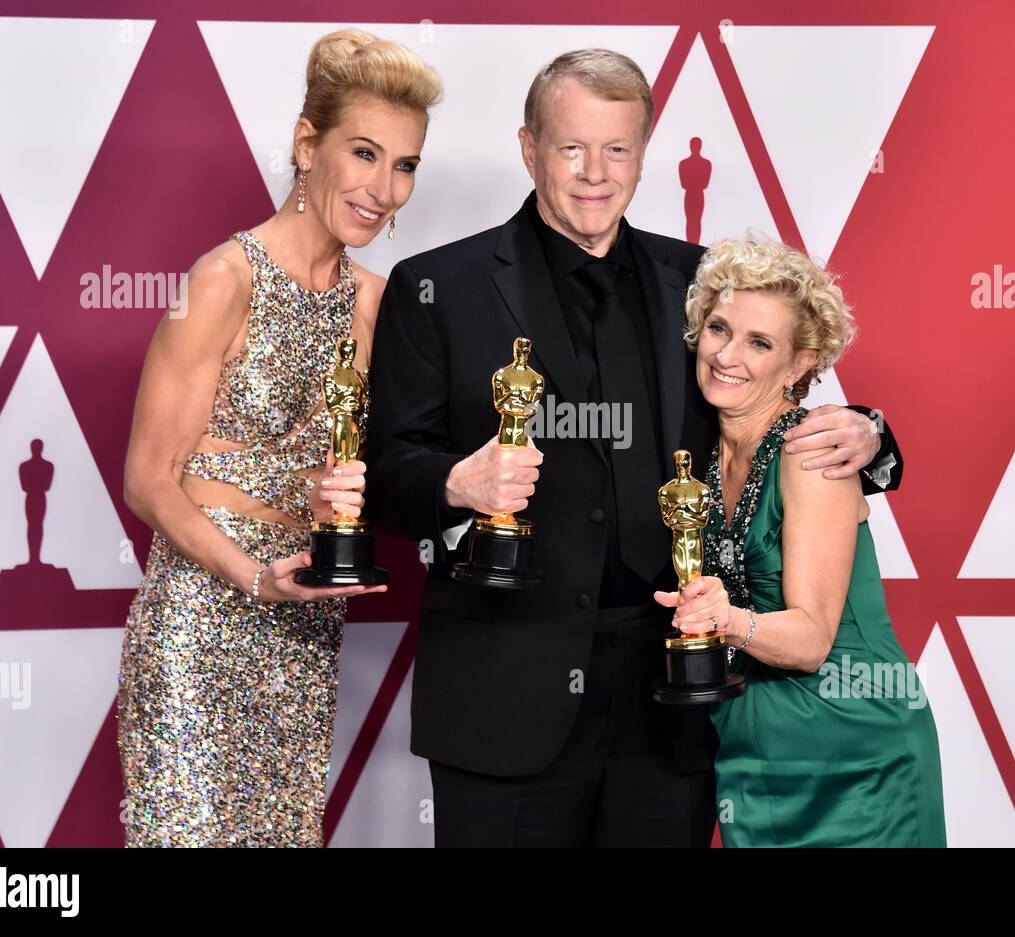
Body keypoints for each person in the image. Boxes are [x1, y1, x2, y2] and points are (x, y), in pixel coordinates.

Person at [365, 48, 901, 847]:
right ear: (528, 148)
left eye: (617, 149)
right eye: (571, 147)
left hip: (671, 695)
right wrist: (457, 481)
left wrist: (874, 434)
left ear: (644, 156)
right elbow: (383, 475)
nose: (594, 172)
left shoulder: (696, 280)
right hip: (504, 693)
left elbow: (767, 395)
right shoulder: (436, 283)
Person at [117, 30, 440, 847]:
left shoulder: (375, 301)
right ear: (307, 144)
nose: (383, 188)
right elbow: (149, 479)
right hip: (201, 622)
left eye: (404, 165)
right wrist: (255, 578)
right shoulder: (224, 278)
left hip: (301, 629)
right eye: (364, 153)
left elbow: (355, 466)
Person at [656, 238, 945, 847]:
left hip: (857, 756)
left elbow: (813, 641)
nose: (727, 355)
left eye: (759, 342)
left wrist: (723, 619)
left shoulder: (814, 451)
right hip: (751, 749)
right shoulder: (701, 455)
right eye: (718, 328)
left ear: (799, 365)